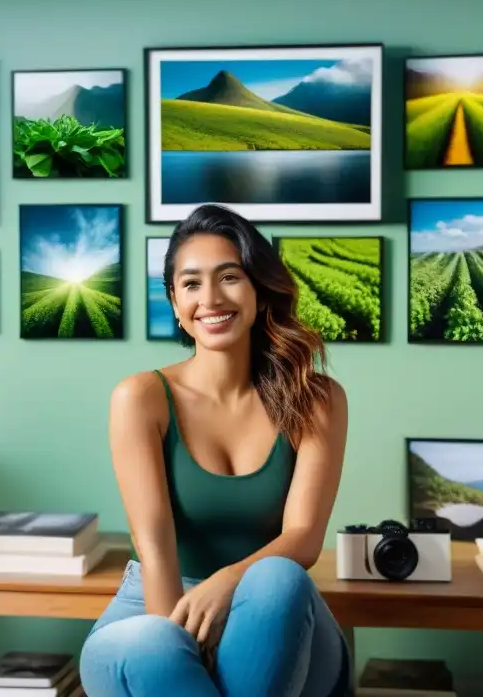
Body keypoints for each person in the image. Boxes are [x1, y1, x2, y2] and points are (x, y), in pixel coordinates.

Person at [78, 204, 353, 697]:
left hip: (274, 617)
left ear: (259, 291)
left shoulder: (316, 399)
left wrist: (226, 583)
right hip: (158, 604)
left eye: (229, 277)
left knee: (278, 577)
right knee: (151, 644)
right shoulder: (141, 397)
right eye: (191, 283)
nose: (210, 298)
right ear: (174, 302)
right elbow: (155, 544)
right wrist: (183, 638)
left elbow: (304, 539)